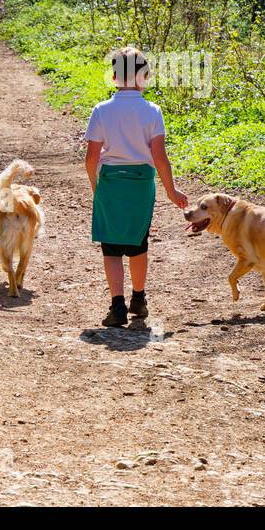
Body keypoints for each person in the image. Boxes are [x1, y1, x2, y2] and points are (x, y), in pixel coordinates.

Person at [85, 46, 187, 327]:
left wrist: (97, 188)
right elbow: (160, 158)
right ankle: (138, 300)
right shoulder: (152, 111)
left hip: (110, 182)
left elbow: (91, 158)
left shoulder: (101, 110)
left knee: (111, 247)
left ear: (115, 77)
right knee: (138, 243)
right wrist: (171, 190)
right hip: (142, 184)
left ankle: (116, 305)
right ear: (144, 76)